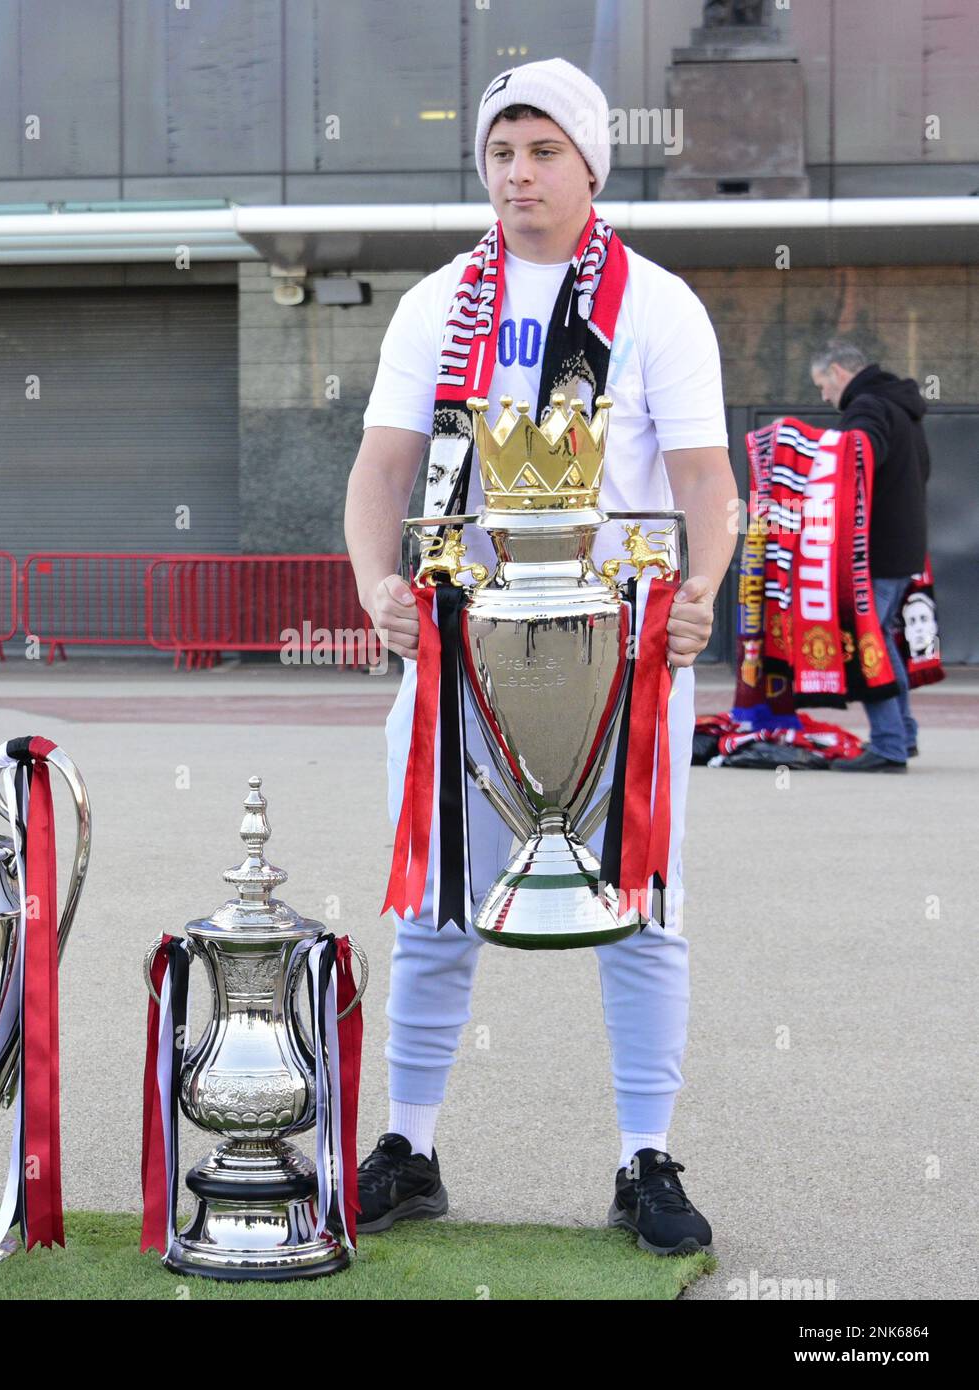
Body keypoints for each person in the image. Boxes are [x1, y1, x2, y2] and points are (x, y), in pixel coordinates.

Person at [343, 57, 739, 1256]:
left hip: (619, 657)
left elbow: (708, 483)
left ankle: (643, 1157)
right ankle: (409, 1147)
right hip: (463, 642)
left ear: (590, 162)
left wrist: (704, 592)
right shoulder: (434, 304)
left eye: (543, 150)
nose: (519, 174)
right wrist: (374, 583)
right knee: (435, 902)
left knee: (642, 904)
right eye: (501, 152)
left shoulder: (656, 304)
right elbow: (380, 471)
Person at [810, 340, 930, 772]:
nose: (824, 396)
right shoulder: (902, 408)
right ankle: (904, 735)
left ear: (840, 373)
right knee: (880, 639)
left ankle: (888, 745)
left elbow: (850, 465)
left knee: (864, 644)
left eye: (823, 385)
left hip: (873, 553)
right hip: (903, 548)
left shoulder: (867, 408)